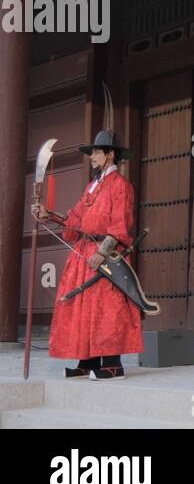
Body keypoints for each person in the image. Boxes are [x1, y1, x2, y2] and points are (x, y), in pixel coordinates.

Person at [32, 130, 143, 380]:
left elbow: (120, 223)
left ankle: (113, 364)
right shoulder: (93, 186)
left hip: (107, 254)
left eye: (96, 151)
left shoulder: (121, 186)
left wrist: (103, 252)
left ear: (110, 154)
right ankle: (88, 361)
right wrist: (49, 215)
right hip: (83, 253)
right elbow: (76, 219)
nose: (91, 156)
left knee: (107, 308)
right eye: (92, 152)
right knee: (83, 307)